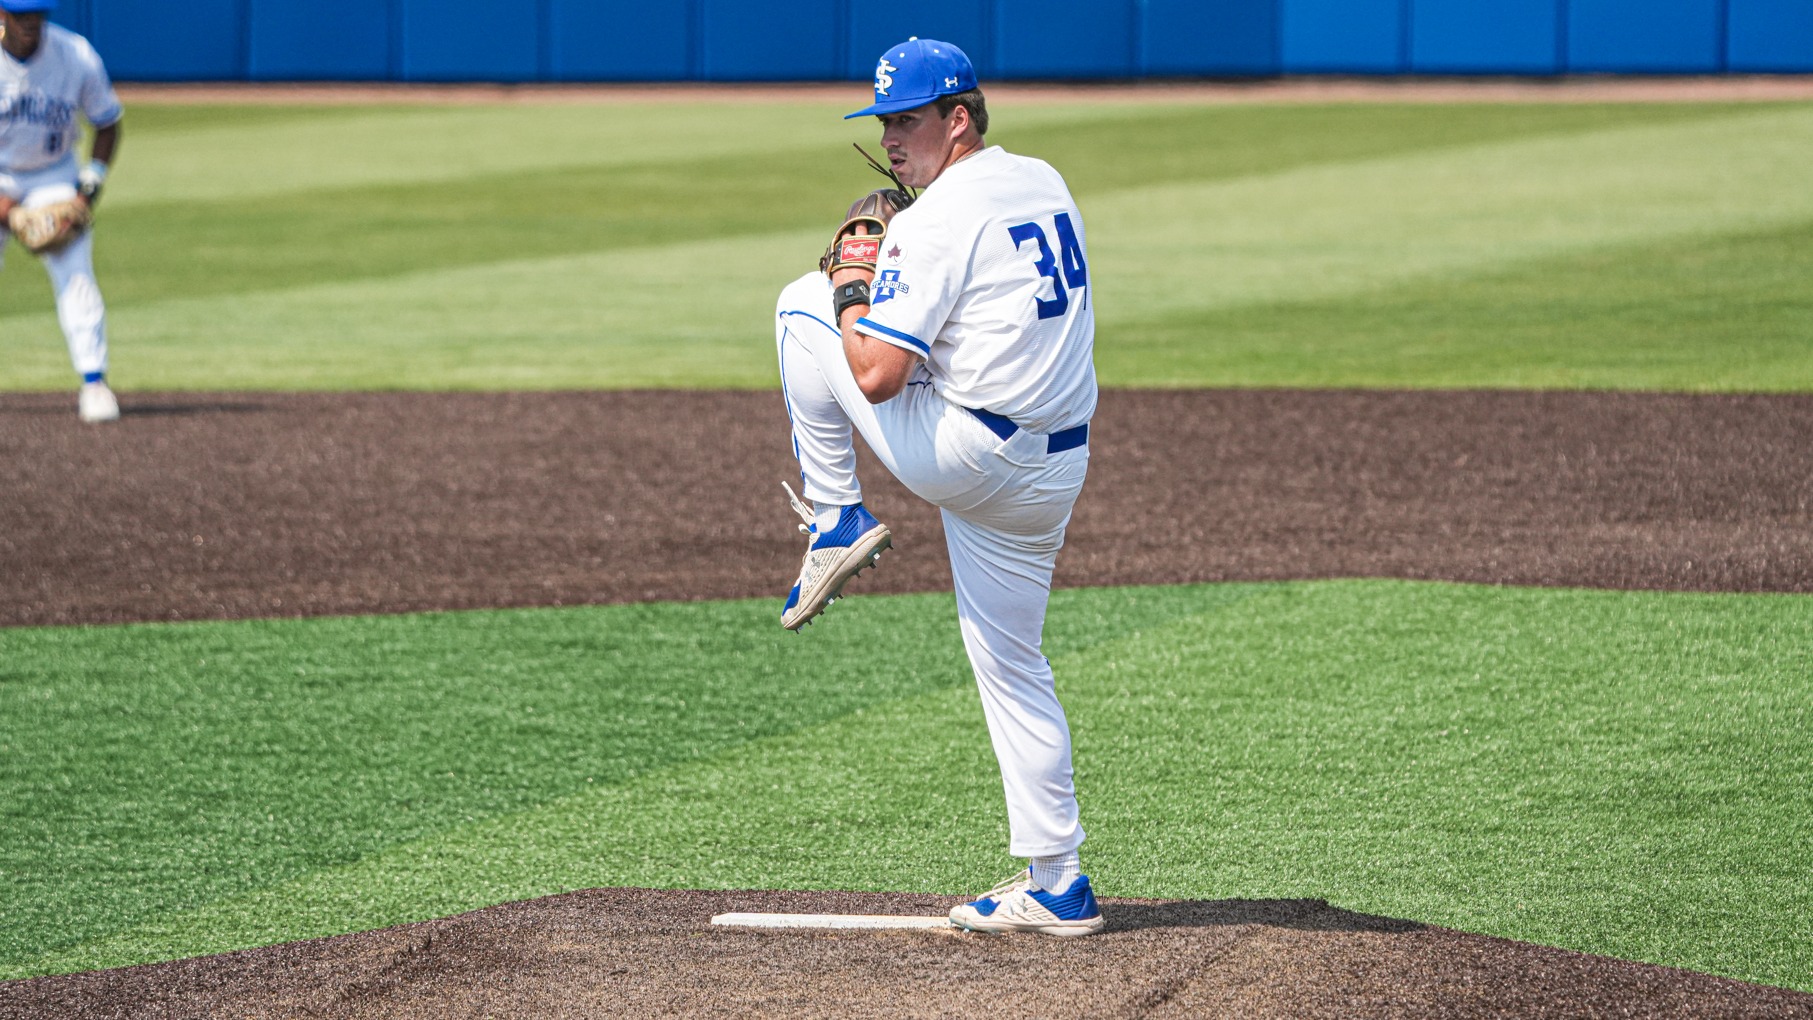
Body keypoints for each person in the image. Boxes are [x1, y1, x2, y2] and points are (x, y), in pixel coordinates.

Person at [773, 38, 1103, 935]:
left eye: (908, 120)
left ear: (959, 117)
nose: (891, 140)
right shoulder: (1041, 177)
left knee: (800, 304)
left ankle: (837, 514)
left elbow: (874, 375)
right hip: (1053, 465)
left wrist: (853, 287)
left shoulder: (933, 220)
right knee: (1010, 660)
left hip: (969, 456)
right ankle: (1057, 882)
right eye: (883, 123)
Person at [0, 0, 122, 422]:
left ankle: (95, 382)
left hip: (53, 174)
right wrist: (8, 211)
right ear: (2, 15)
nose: (31, 22)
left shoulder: (76, 55)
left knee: (75, 268)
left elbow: (107, 122)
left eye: (38, 13)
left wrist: (86, 191)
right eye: (21, 14)